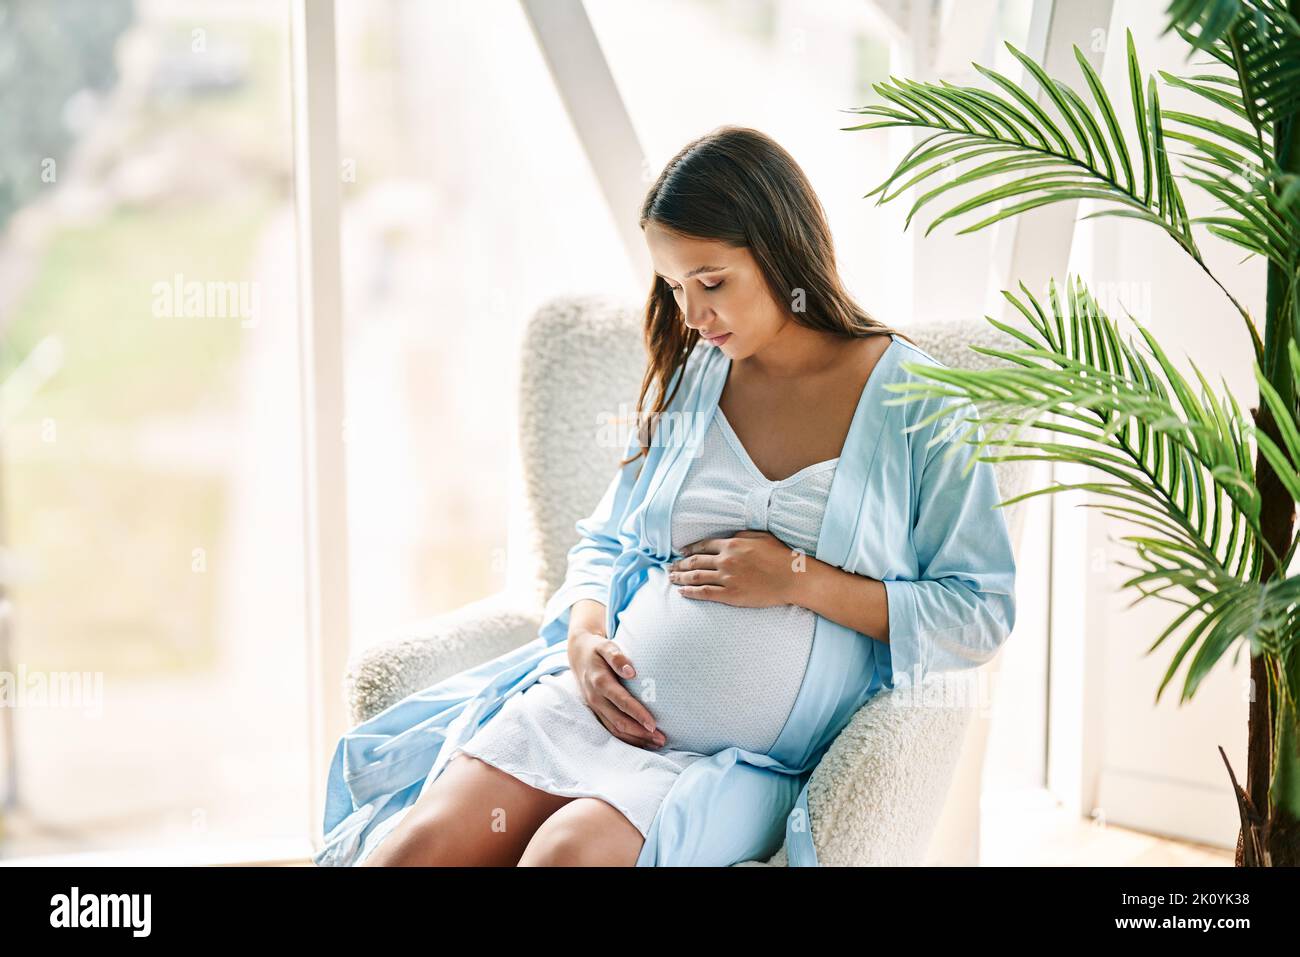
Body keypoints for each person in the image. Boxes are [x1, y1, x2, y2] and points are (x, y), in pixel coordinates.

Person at [318, 125, 1017, 867]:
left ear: (783, 250)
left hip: (728, 761)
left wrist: (798, 580)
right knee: (414, 849)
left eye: (711, 281)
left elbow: (980, 611)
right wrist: (585, 639)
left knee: (565, 856)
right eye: (675, 287)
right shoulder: (698, 378)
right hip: (589, 711)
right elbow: (606, 542)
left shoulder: (918, 402)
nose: (691, 316)